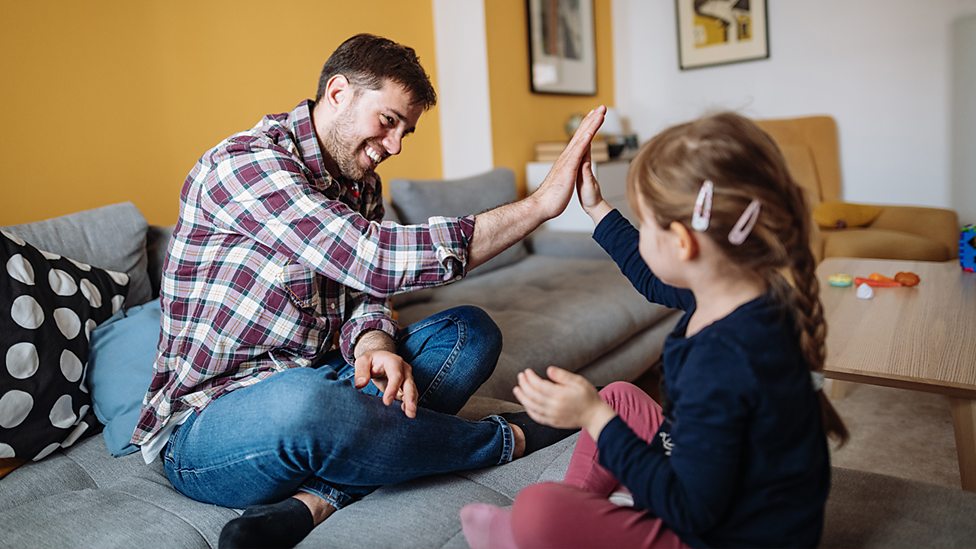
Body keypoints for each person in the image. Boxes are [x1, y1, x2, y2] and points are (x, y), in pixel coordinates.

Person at [130, 33, 604, 549]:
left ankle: (317, 500)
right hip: (211, 424)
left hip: (325, 380)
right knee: (310, 402)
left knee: (469, 332)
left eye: (405, 131)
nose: (395, 145)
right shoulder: (245, 165)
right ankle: (506, 439)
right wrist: (537, 207)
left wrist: (373, 344)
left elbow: (366, 291)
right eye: (388, 120)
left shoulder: (360, 184)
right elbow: (373, 259)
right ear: (338, 93)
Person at [460, 112, 849, 549]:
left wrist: (593, 418)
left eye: (644, 222)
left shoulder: (721, 362)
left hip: (730, 533)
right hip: (726, 491)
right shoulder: (735, 289)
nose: (641, 231)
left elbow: (691, 510)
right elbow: (650, 277)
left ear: (683, 243)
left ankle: (561, 528)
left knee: (538, 509)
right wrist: (597, 207)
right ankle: (585, 517)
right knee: (618, 397)